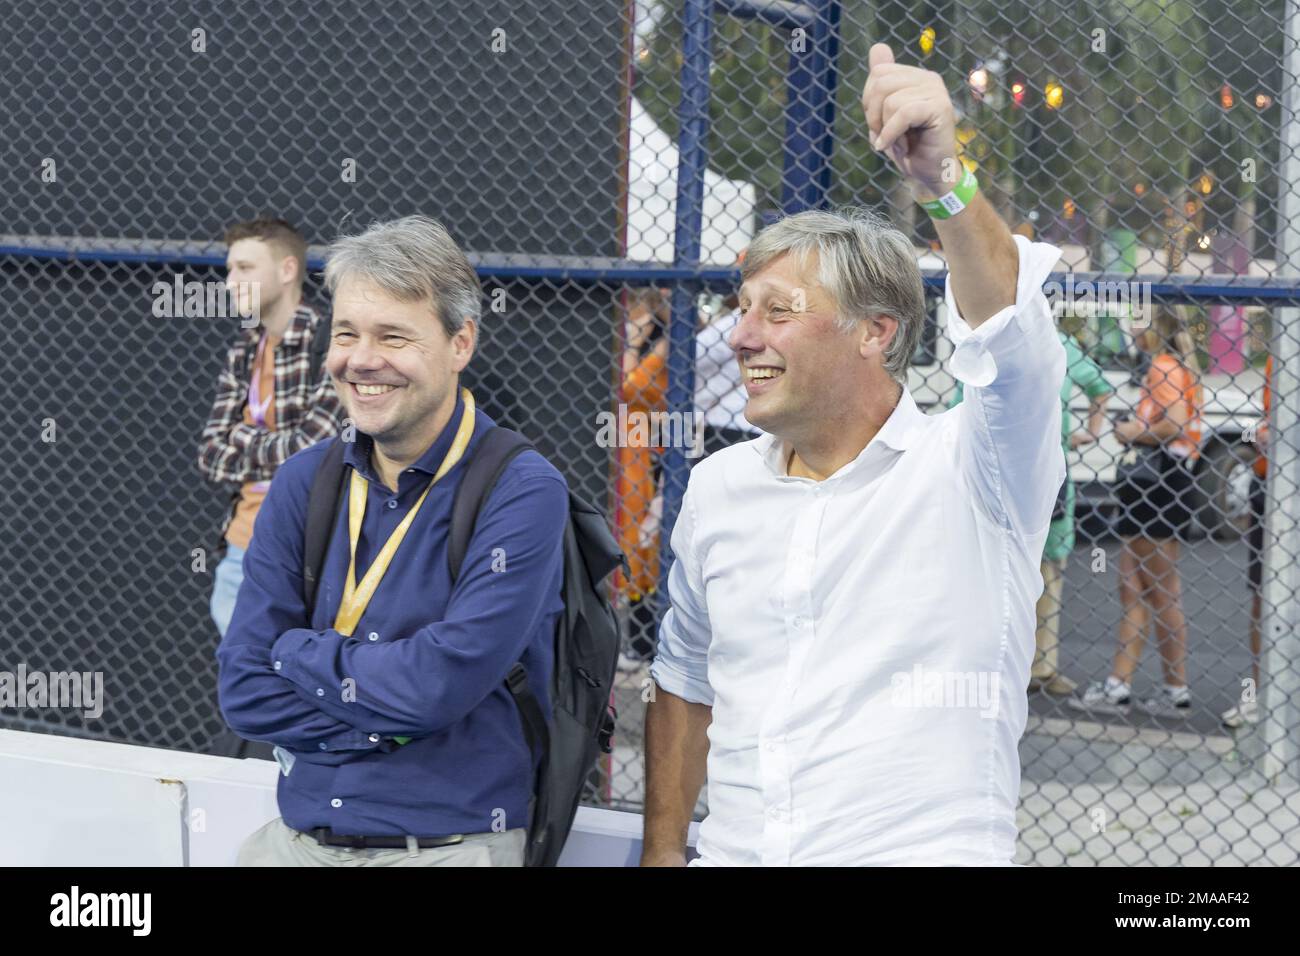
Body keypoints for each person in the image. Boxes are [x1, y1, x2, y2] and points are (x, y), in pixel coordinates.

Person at [641, 44, 1067, 866]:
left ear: (877, 332)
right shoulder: (718, 489)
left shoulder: (976, 471)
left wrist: (947, 181)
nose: (741, 335)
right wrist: (663, 853)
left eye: (777, 311)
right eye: (742, 308)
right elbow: (685, 683)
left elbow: (1010, 336)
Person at [217, 215, 569, 866]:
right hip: (294, 846)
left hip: (444, 851)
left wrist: (297, 654)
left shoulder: (521, 491)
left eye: (393, 336)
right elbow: (242, 687)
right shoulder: (302, 481)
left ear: (460, 343)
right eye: (347, 333)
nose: (362, 359)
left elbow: (438, 686)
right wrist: (397, 729)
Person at [198, 218, 345, 638]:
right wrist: (274, 450)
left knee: (302, 678)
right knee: (247, 685)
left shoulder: (331, 341)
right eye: (230, 269)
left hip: (309, 551)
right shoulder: (243, 352)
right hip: (241, 546)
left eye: (245, 268)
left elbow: (316, 452)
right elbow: (210, 456)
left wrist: (243, 438)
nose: (230, 282)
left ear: (286, 270)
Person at [950, 330, 1113, 696]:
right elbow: (1101, 387)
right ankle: (1040, 664)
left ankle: (996, 665)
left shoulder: (984, 345)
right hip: (1043, 467)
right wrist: (1088, 431)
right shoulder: (1062, 343)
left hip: (998, 469)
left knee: (989, 565)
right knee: (1047, 569)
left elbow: (956, 412)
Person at [1070, 308, 1203, 718]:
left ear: (1154, 329)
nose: (1132, 331)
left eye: (1138, 323)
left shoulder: (1163, 367)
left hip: (1158, 486)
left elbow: (1176, 424)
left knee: (1160, 590)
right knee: (1132, 586)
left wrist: (1132, 433)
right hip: (1153, 486)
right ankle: (1119, 683)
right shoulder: (1169, 367)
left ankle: (1176, 687)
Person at [617, 288, 670, 661]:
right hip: (632, 443)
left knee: (643, 541)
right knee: (635, 538)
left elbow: (628, 387)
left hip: (646, 448)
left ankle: (642, 642)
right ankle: (637, 640)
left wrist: (636, 341)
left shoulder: (668, 342)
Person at [1224, 354, 1271, 727]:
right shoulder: (1281, 356)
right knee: (1261, 595)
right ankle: (1260, 695)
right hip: (1270, 485)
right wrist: (1264, 434)